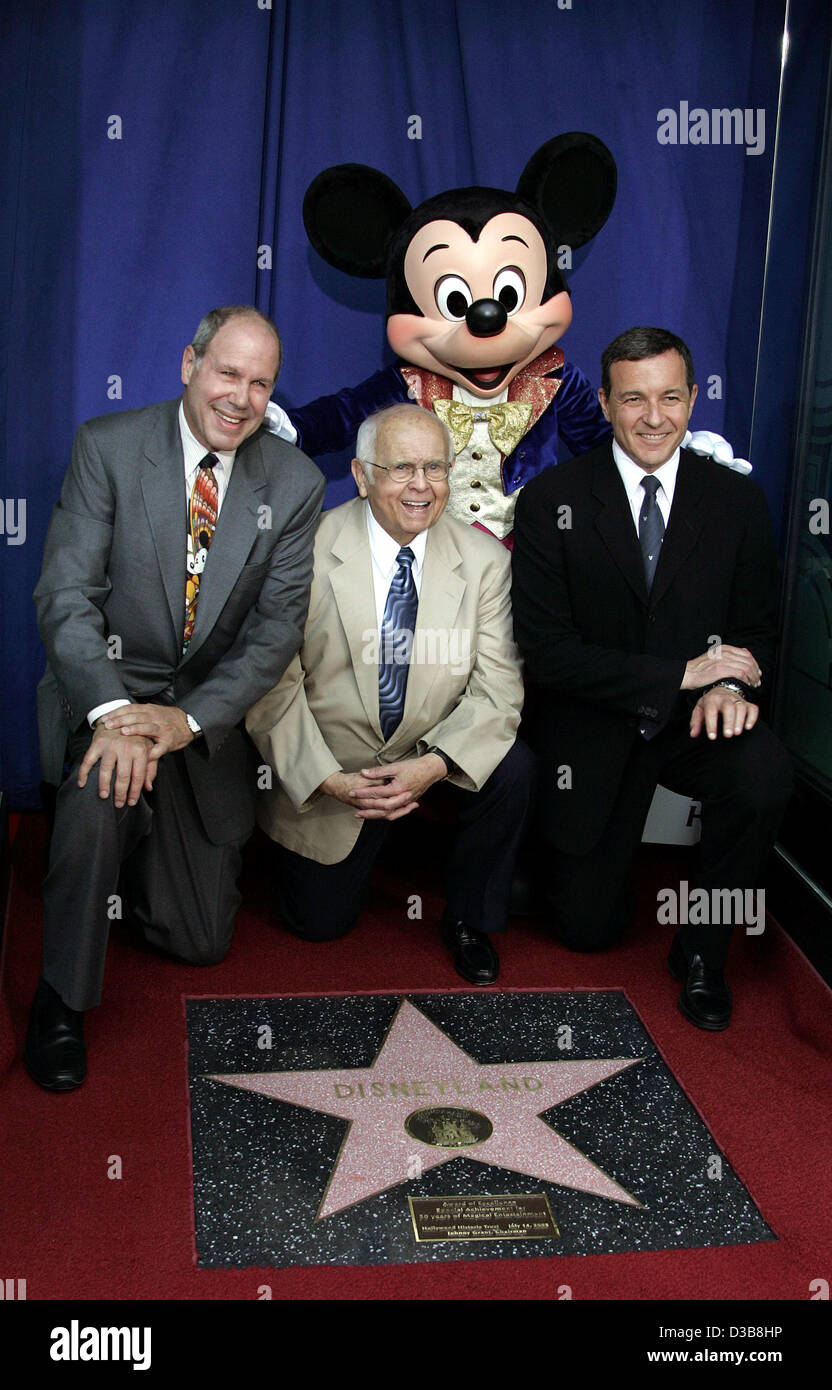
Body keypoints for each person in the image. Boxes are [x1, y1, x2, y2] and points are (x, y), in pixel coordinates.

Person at [26, 305, 325, 1090]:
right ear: (189, 364)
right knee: (99, 793)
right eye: (228, 372)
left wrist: (187, 721)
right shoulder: (109, 448)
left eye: (262, 383)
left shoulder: (293, 483)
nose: (242, 396)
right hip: (110, 700)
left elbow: (274, 633)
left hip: (199, 720)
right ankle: (59, 999)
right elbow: (66, 597)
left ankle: (128, 864)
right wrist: (114, 717)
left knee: (199, 941)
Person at [511, 326, 792, 1030]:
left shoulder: (736, 502)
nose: (654, 416)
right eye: (633, 398)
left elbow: (756, 629)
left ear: (694, 398)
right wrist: (684, 672)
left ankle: (704, 951)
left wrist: (729, 688)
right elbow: (546, 653)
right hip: (594, 721)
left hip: (696, 720)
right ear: (604, 403)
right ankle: (570, 869)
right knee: (585, 928)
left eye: (670, 396)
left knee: (761, 773)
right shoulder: (552, 500)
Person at [246, 403, 533, 984]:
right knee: (317, 923)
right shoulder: (305, 548)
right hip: (337, 763)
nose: (422, 486)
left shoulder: (483, 561)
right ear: (361, 475)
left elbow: (498, 689)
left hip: (433, 749)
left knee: (516, 768)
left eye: (436, 468)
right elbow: (272, 686)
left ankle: (471, 917)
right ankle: (348, 845)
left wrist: (431, 767)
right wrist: (327, 778)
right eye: (402, 468)